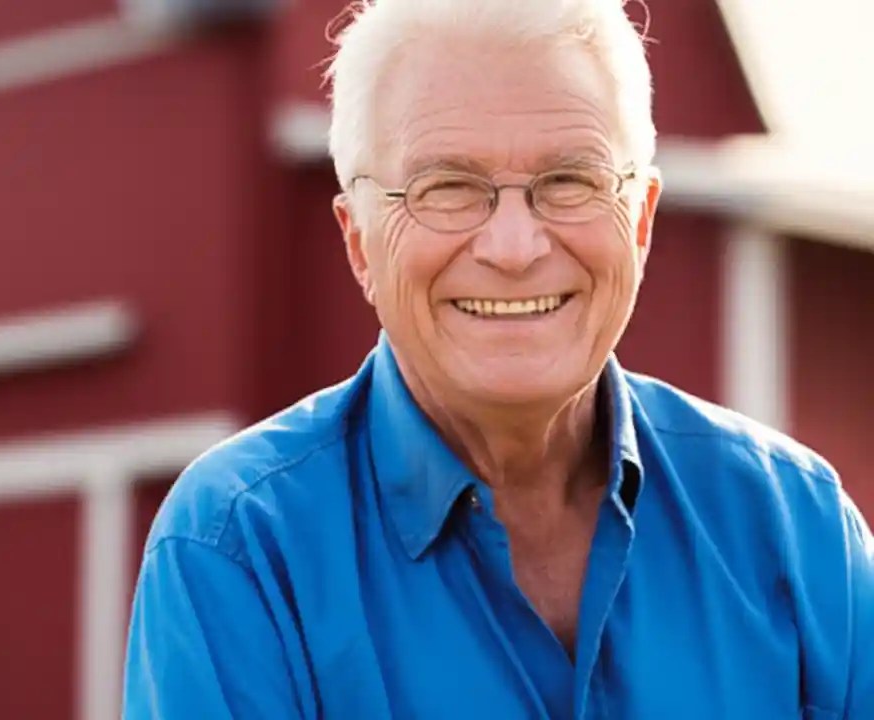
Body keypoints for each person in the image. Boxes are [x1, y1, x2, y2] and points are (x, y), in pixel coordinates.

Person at [122, 0, 874, 717]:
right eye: (447, 188)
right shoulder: (240, 549)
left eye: (570, 182)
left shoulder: (795, 528)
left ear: (640, 221)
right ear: (360, 243)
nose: (514, 248)